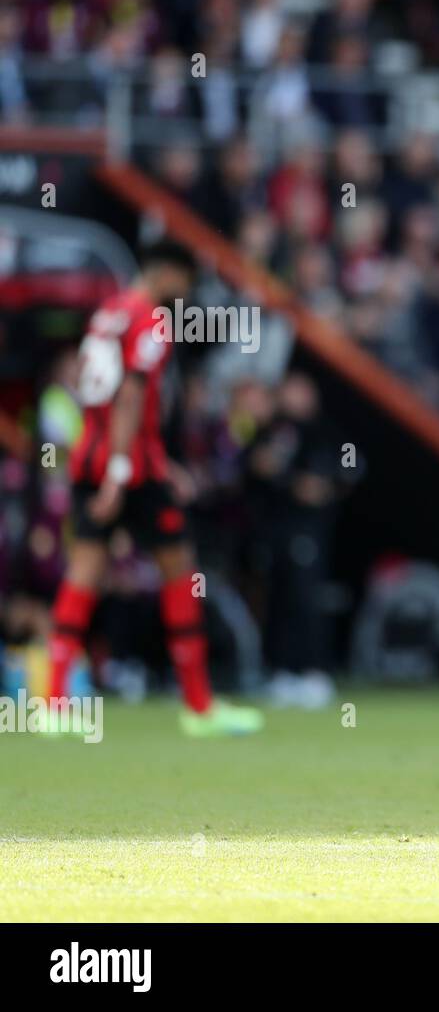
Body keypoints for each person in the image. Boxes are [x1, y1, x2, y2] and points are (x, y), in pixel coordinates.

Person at [46, 240, 264, 737]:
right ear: (168, 275)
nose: (185, 296)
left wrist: (142, 460)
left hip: (93, 462)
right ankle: (198, 706)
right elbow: (130, 393)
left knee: (82, 576)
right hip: (129, 475)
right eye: (185, 284)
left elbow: (86, 384)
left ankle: (52, 706)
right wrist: (123, 471)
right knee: (180, 572)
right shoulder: (152, 321)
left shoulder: (109, 313)